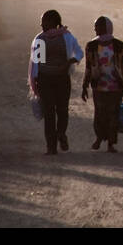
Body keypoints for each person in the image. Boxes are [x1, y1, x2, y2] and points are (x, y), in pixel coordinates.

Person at [29, 9, 83, 155]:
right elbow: (37, 62)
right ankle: (51, 146)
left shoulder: (67, 37)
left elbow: (79, 52)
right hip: (45, 80)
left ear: (53, 22)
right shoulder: (40, 39)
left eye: (44, 21)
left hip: (62, 79)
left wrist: (71, 61)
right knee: (49, 113)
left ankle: (61, 134)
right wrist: (36, 81)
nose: (41, 24)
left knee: (62, 111)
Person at [82, 16, 123, 152]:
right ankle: (100, 137)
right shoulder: (91, 46)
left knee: (113, 115)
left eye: (99, 26)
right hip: (99, 85)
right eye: (96, 26)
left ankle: (110, 143)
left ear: (107, 27)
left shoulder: (119, 46)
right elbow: (88, 68)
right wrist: (85, 85)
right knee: (100, 114)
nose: (95, 29)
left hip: (115, 86)